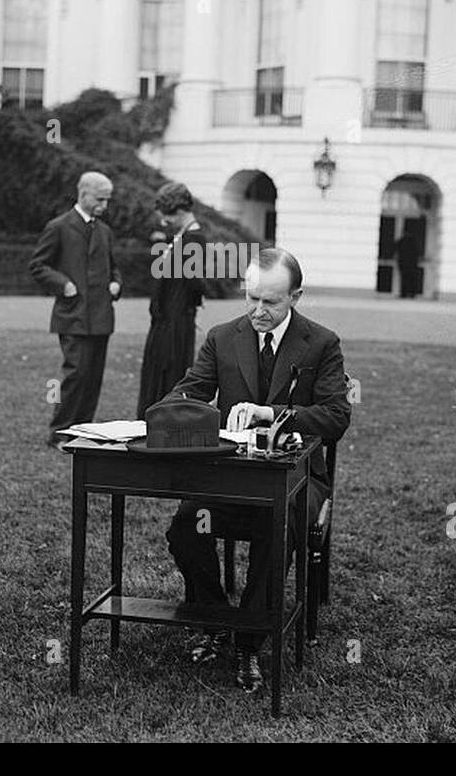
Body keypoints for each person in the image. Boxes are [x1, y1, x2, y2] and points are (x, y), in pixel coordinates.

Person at [164, 247, 351, 694]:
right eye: (251, 299)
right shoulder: (223, 337)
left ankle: (249, 640)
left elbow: (335, 417)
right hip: (232, 478)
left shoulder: (322, 343)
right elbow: (187, 394)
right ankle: (214, 619)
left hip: (297, 481)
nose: (258, 311)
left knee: (277, 527)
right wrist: (184, 414)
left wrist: (271, 414)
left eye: (271, 302)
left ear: (296, 297)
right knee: (187, 527)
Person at [29, 172, 121, 449]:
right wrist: (64, 284)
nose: (104, 206)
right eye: (100, 199)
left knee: (93, 378)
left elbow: (114, 266)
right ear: (83, 194)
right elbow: (38, 266)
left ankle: (83, 432)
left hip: (102, 317)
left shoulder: (105, 231)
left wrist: (117, 283)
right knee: (76, 375)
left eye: (107, 200)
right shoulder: (58, 227)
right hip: (73, 316)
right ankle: (59, 432)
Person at [136, 182, 206, 418]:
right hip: (166, 321)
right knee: (156, 378)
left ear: (180, 211)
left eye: (168, 216)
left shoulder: (194, 240)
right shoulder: (182, 237)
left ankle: (162, 428)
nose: (164, 221)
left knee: (168, 377)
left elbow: (196, 284)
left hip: (175, 325)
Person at [394, 228, 420, 299]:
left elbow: (395, 249)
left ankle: (404, 294)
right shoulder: (413, 242)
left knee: (404, 279)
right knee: (412, 280)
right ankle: (412, 294)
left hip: (404, 264)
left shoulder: (401, 241)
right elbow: (417, 252)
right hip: (411, 264)